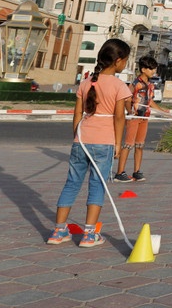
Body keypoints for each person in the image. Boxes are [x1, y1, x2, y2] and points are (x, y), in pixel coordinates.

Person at [47, 39, 131, 248]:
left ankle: (58, 231)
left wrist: (77, 136)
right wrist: (118, 145)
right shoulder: (119, 85)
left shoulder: (86, 83)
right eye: (126, 60)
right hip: (104, 143)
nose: (125, 64)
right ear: (118, 61)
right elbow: (119, 118)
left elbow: (77, 113)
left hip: (81, 141)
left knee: (71, 184)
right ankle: (89, 234)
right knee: (97, 186)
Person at [115, 56, 172, 183]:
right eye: (151, 69)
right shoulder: (135, 84)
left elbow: (150, 101)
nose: (153, 71)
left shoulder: (151, 85)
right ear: (143, 69)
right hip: (135, 117)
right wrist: (130, 111)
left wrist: (163, 112)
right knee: (128, 145)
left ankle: (137, 171)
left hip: (145, 117)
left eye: (154, 69)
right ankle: (120, 173)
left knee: (140, 145)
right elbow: (127, 99)